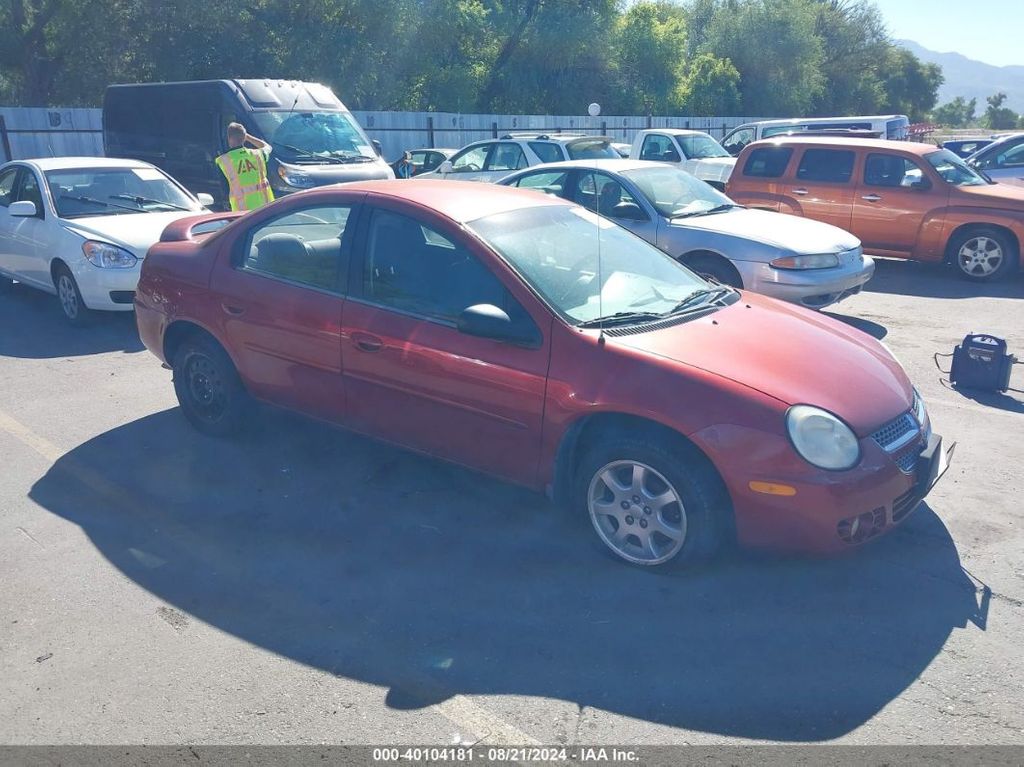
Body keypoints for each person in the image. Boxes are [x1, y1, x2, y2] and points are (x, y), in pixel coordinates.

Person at [215, 123, 275, 211]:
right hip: (265, 208)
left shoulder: (223, 161)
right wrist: (248, 137)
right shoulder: (258, 154)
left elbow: (224, 188)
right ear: (244, 138)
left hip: (242, 212)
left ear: (229, 139)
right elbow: (268, 147)